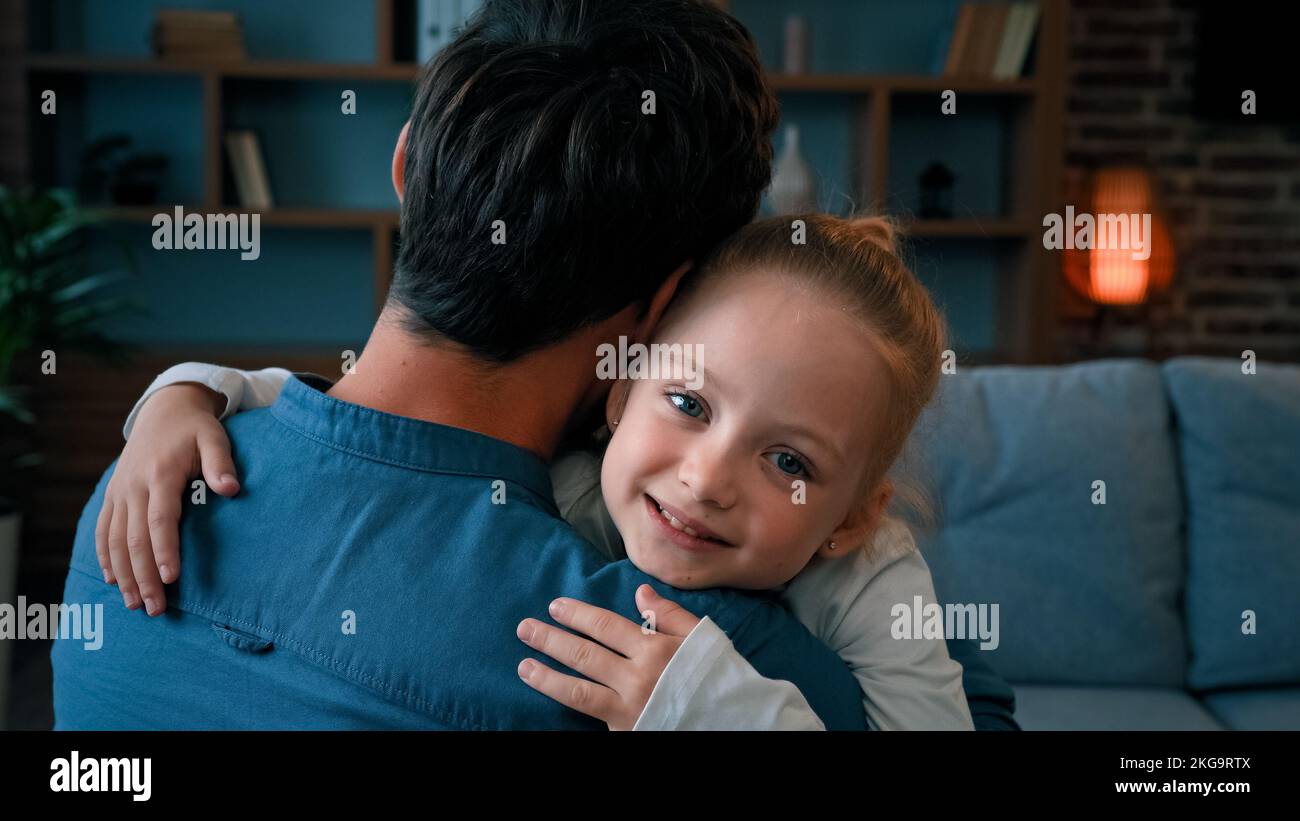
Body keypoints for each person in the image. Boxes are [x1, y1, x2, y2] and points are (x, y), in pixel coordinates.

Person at [54, 0, 1017, 730]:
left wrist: (183, 388)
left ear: (404, 167)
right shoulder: (686, 660)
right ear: (661, 314)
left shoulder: (135, 497)